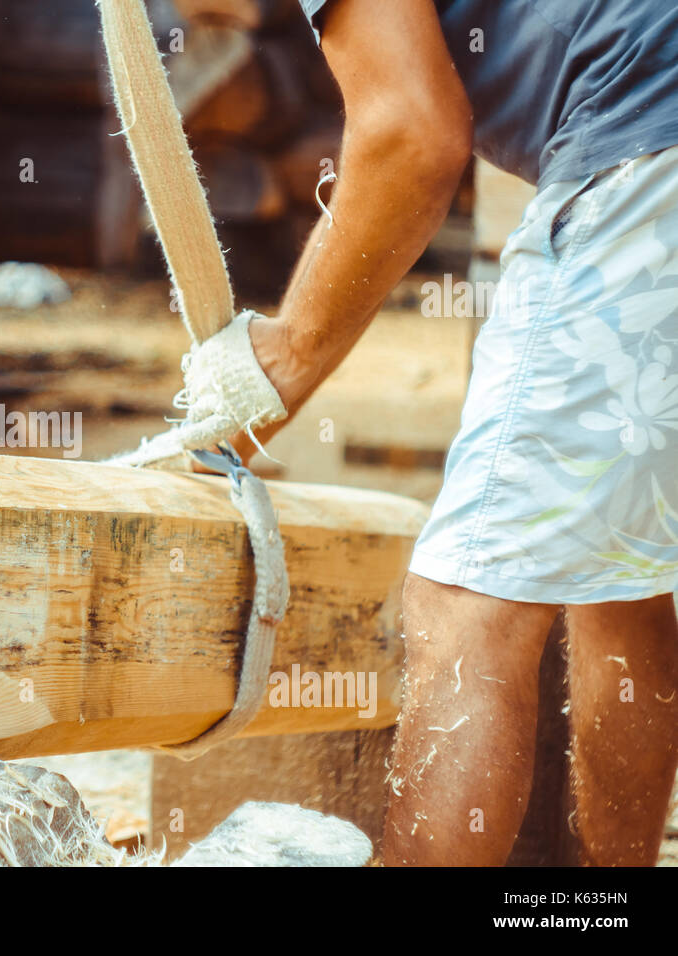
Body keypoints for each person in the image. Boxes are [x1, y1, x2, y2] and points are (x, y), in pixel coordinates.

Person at [232, 0, 678, 865]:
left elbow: (412, 134)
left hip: (648, 141)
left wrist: (282, 362)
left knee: (469, 599)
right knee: (617, 568)